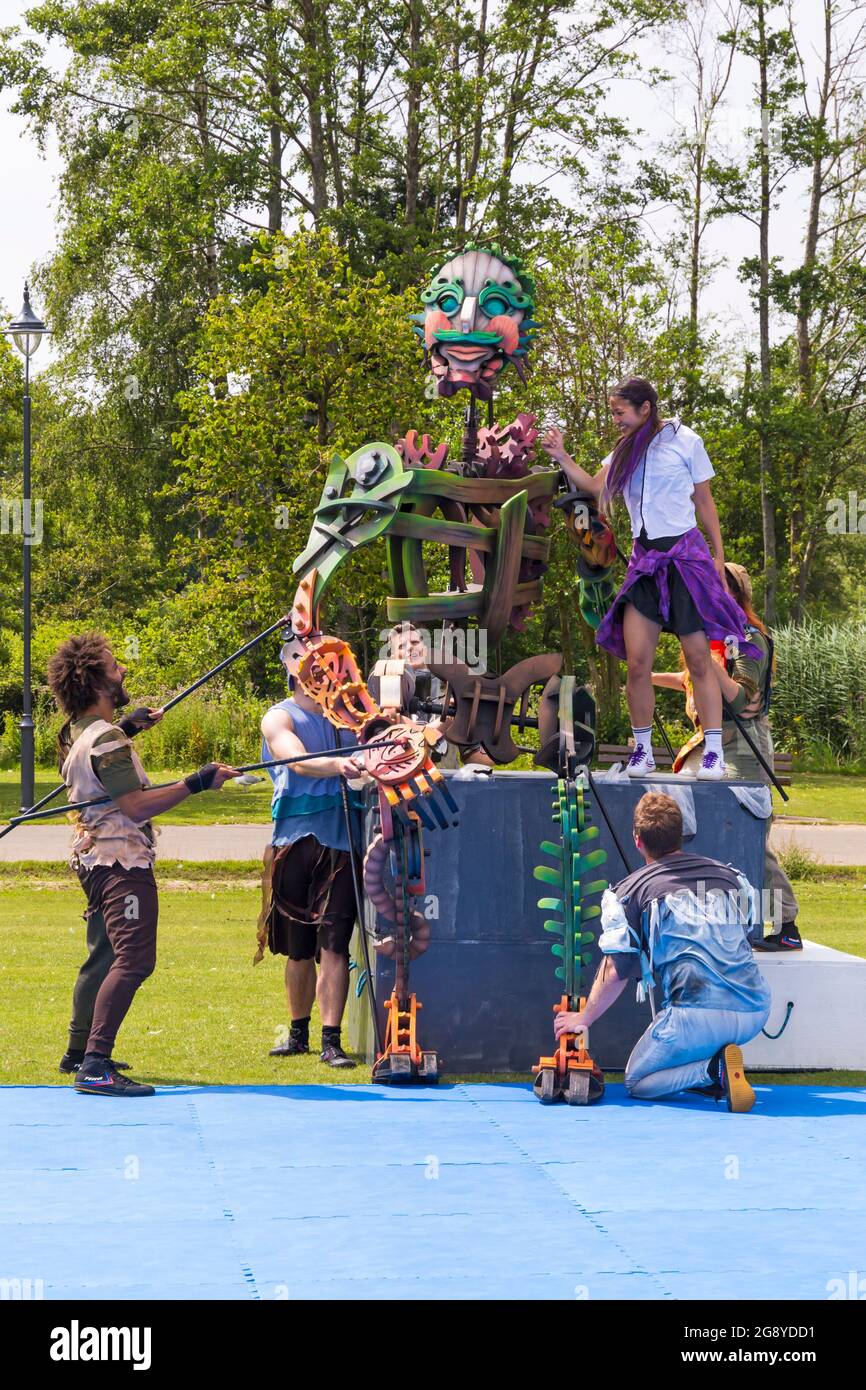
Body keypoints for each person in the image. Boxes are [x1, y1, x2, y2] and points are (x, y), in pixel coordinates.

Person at [46, 633, 240, 1097]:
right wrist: (198, 781)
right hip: (120, 864)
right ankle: (94, 1065)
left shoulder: (84, 734)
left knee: (108, 955)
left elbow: (100, 769)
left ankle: (80, 1052)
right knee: (133, 960)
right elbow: (134, 806)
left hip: (96, 861)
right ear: (97, 681)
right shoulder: (106, 739)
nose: (123, 671)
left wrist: (128, 729)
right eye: (115, 668)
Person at [542, 377, 757, 781]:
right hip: (646, 562)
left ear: (645, 408)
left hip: (685, 559)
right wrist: (561, 455)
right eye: (613, 413)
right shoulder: (624, 450)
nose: (616, 421)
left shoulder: (684, 440)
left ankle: (712, 750)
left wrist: (718, 556)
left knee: (699, 660)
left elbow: (704, 501)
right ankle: (642, 751)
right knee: (637, 664)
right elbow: (594, 487)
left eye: (620, 413)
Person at [555, 793, 771, 1112]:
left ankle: (712, 1070)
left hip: (693, 1018)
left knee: (638, 1082)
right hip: (756, 1010)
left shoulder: (626, 893)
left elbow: (616, 969)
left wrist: (583, 1017)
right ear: (680, 835)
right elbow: (751, 928)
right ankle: (718, 1066)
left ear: (637, 841)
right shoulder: (733, 877)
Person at [653, 562, 801, 951]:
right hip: (715, 747)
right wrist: (644, 674)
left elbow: (742, 698)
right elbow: (689, 678)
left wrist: (710, 663)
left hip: (744, 750)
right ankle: (707, 918)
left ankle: (785, 923)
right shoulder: (716, 640)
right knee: (701, 832)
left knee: (751, 841)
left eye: (712, 590)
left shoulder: (748, 639)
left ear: (734, 595)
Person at [255, 643, 370, 1069]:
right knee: (298, 950)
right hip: (294, 841)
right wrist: (340, 766)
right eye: (322, 669)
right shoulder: (279, 716)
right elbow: (296, 759)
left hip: (342, 842)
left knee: (334, 945)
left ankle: (331, 1040)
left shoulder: (352, 719)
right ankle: (298, 1033)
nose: (333, 677)